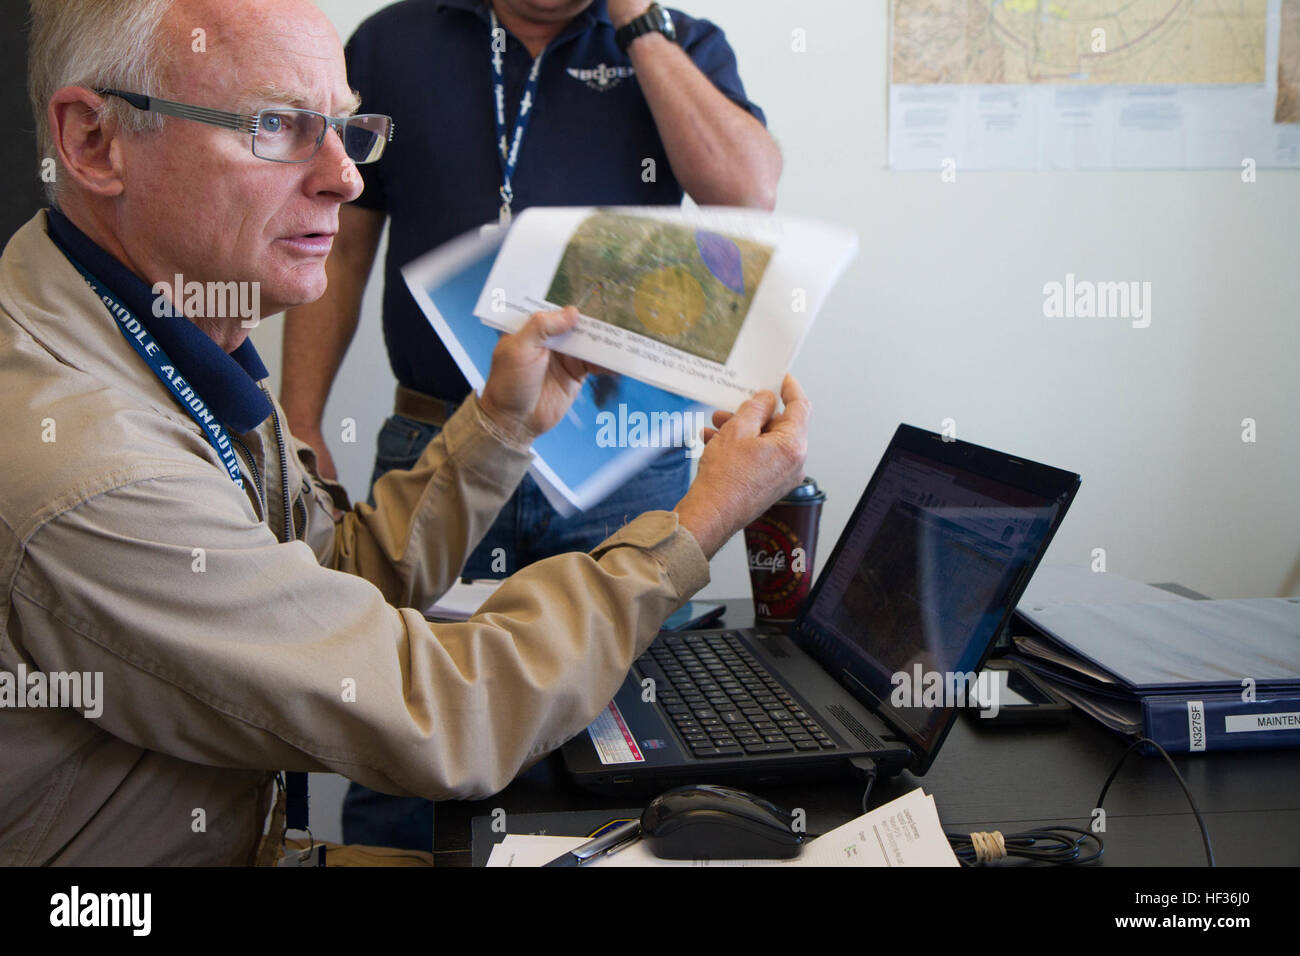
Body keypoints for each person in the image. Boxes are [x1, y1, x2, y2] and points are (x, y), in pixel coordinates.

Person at [0, 0, 809, 866]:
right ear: (92, 142)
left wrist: (501, 424)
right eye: (275, 125)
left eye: (348, 130)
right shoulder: (97, 468)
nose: (346, 180)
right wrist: (698, 526)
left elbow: (327, 581)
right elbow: (441, 714)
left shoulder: (170, 337)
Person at [281, 0, 783, 849]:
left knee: (634, 731)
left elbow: (748, 188)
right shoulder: (394, 41)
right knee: (398, 720)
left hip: (621, 452)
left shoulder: (677, 41)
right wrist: (300, 417)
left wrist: (636, 23)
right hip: (436, 443)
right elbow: (341, 243)